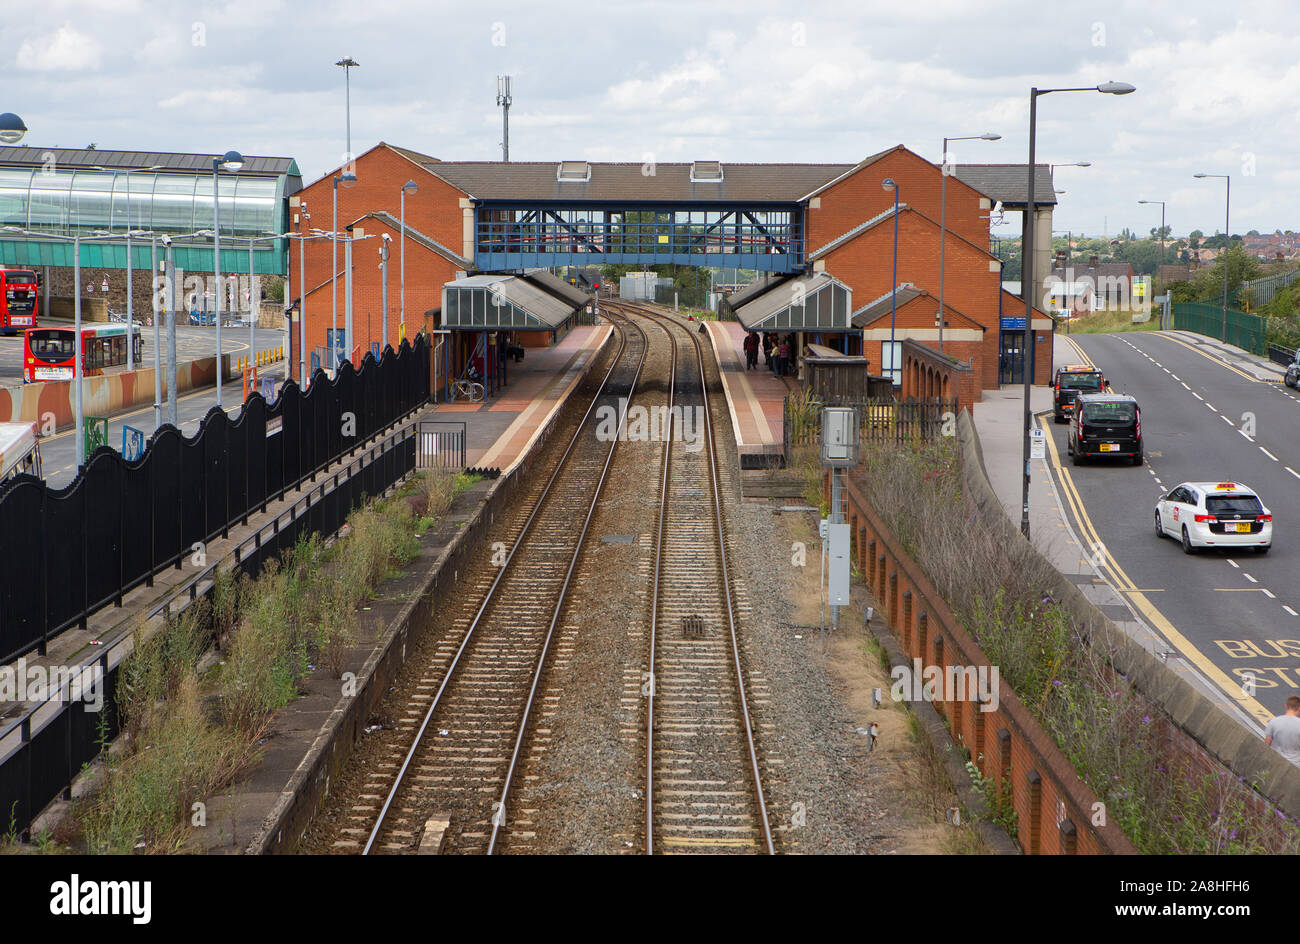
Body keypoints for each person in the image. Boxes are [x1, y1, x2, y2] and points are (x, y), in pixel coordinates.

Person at [1265, 696, 1300, 765]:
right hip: (1295, 764)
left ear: (1286, 706)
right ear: (1299, 708)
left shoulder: (1274, 721)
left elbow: (1267, 743)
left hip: (1275, 761)